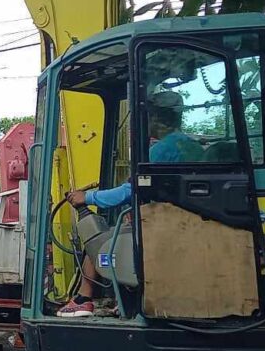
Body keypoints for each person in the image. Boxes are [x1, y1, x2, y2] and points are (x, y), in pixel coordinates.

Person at [56, 91, 202, 318]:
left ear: (155, 119)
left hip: (163, 227)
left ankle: (84, 299)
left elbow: (128, 191)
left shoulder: (160, 150)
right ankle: (127, 299)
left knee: (96, 240)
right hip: (184, 220)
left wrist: (88, 198)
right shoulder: (192, 147)